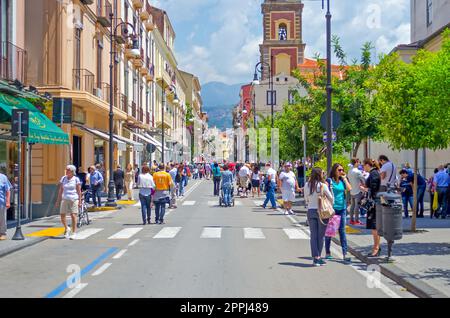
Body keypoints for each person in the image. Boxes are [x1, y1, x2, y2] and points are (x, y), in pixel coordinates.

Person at [304, 168, 333, 267]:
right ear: (319, 174)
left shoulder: (307, 185)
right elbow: (331, 198)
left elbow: (306, 199)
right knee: (320, 236)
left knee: (313, 235)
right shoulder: (323, 185)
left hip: (311, 211)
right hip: (322, 212)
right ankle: (318, 257)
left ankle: (314, 257)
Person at [324, 163, 352, 263]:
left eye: (342, 170)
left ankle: (345, 253)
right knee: (330, 231)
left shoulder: (342, 181)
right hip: (332, 209)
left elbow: (349, 189)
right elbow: (324, 189)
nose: (341, 172)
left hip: (342, 208)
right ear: (334, 170)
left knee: (342, 231)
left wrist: (344, 178)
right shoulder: (329, 180)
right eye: (339, 170)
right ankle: (327, 252)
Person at [361, 159, 382, 257]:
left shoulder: (373, 173)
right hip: (375, 202)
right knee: (374, 226)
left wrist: (364, 189)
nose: (363, 167)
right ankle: (376, 247)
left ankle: (376, 248)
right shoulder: (374, 173)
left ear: (367, 165)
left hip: (374, 203)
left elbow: (374, 189)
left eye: (363, 165)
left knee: (374, 227)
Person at [55, 165, 82, 240]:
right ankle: (67, 228)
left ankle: (74, 233)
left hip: (74, 199)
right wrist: (58, 200)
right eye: (66, 170)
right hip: (65, 199)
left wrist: (80, 201)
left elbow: (79, 191)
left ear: (72, 171)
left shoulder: (76, 179)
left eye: (68, 170)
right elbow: (60, 190)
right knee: (62, 215)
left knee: (73, 215)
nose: (66, 171)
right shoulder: (63, 178)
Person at [348, 158, 366, 225]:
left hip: (352, 190)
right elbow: (363, 179)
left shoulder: (349, 171)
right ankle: (357, 220)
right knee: (357, 206)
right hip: (358, 190)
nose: (359, 164)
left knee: (352, 205)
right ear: (356, 162)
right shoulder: (357, 171)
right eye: (358, 162)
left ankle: (351, 220)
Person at [0, 171, 11, 241]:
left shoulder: (3, 177)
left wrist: (7, 202)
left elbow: (8, 190)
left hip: (1, 202)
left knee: (2, 219)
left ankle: (2, 233)